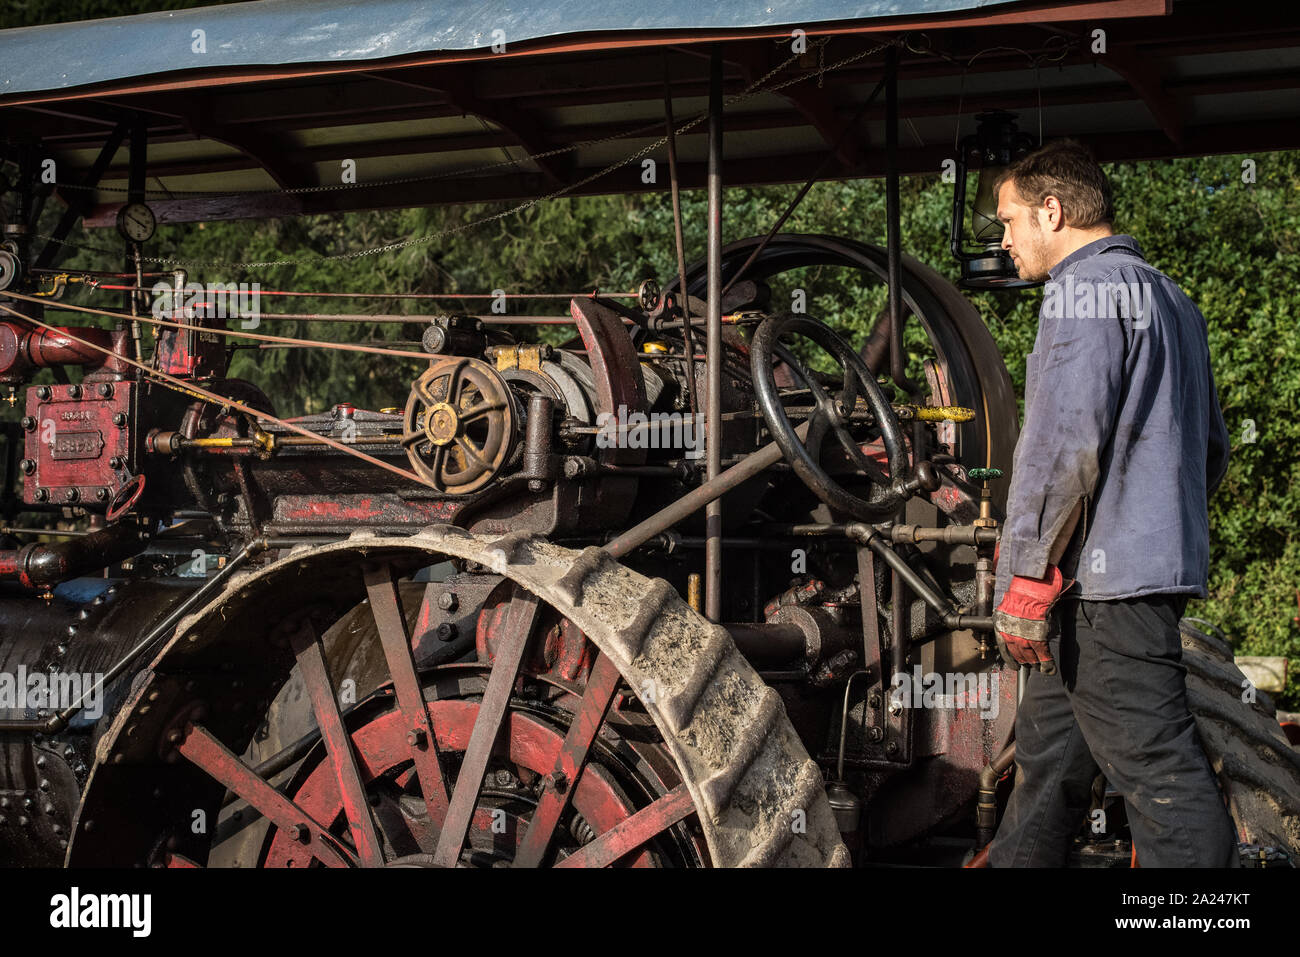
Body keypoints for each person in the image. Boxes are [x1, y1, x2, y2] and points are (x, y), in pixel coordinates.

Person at [984, 139, 1238, 867]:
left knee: (1164, 782)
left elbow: (1063, 447)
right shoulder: (1171, 297)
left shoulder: (1081, 288)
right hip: (1133, 578)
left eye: (1009, 220)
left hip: (1103, 591)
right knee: (1044, 771)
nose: (1004, 240)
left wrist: (1026, 573)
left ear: (1052, 211)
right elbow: (1209, 450)